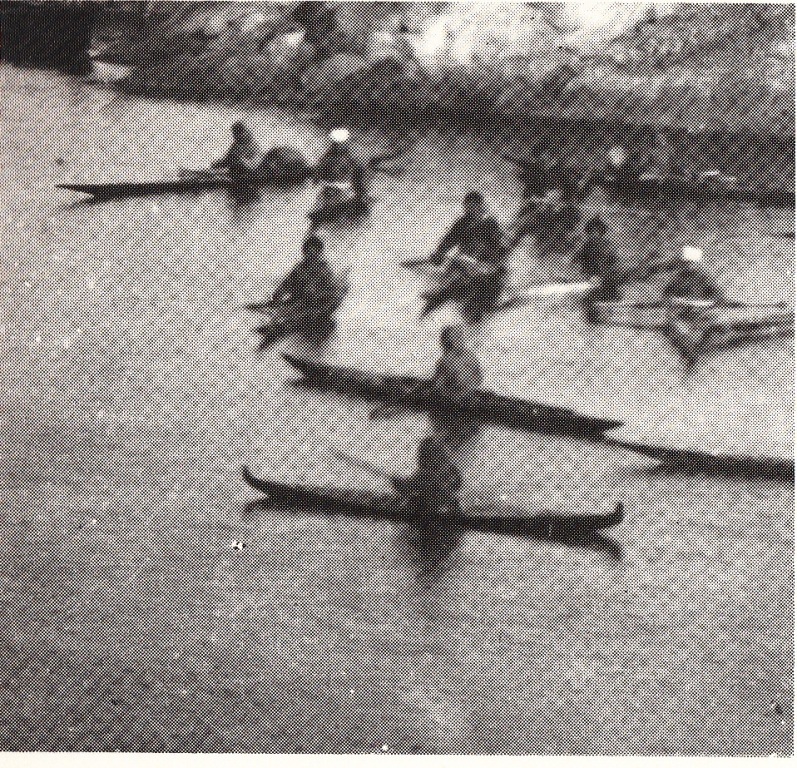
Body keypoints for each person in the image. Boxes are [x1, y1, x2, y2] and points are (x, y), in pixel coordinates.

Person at [393, 435, 464, 520]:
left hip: (432, 510)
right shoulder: (449, 467)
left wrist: (395, 482)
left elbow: (406, 488)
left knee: (414, 500)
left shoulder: (424, 474)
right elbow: (458, 483)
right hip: (448, 505)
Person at [271, 235, 340, 307]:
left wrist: (317, 294)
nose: (310, 255)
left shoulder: (323, 268)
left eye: (314, 253)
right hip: (297, 302)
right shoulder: (300, 268)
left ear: (319, 253)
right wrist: (277, 295)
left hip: (317, 303)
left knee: (310, 292)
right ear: (304, 252)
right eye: (308, 252)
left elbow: (332, 291)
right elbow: (286, 284)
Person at [572, 217, 623, 304]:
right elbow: (575, 259)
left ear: (601, 232)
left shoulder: (607, 244)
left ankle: (609, 294)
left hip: (605, 275)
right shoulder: (586, 245)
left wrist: (607, 270)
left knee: (608, 285)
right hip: (590, 275)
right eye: (592, 231)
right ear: (588, 232)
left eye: (597, 231)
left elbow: (614, 260)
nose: (594, 234)